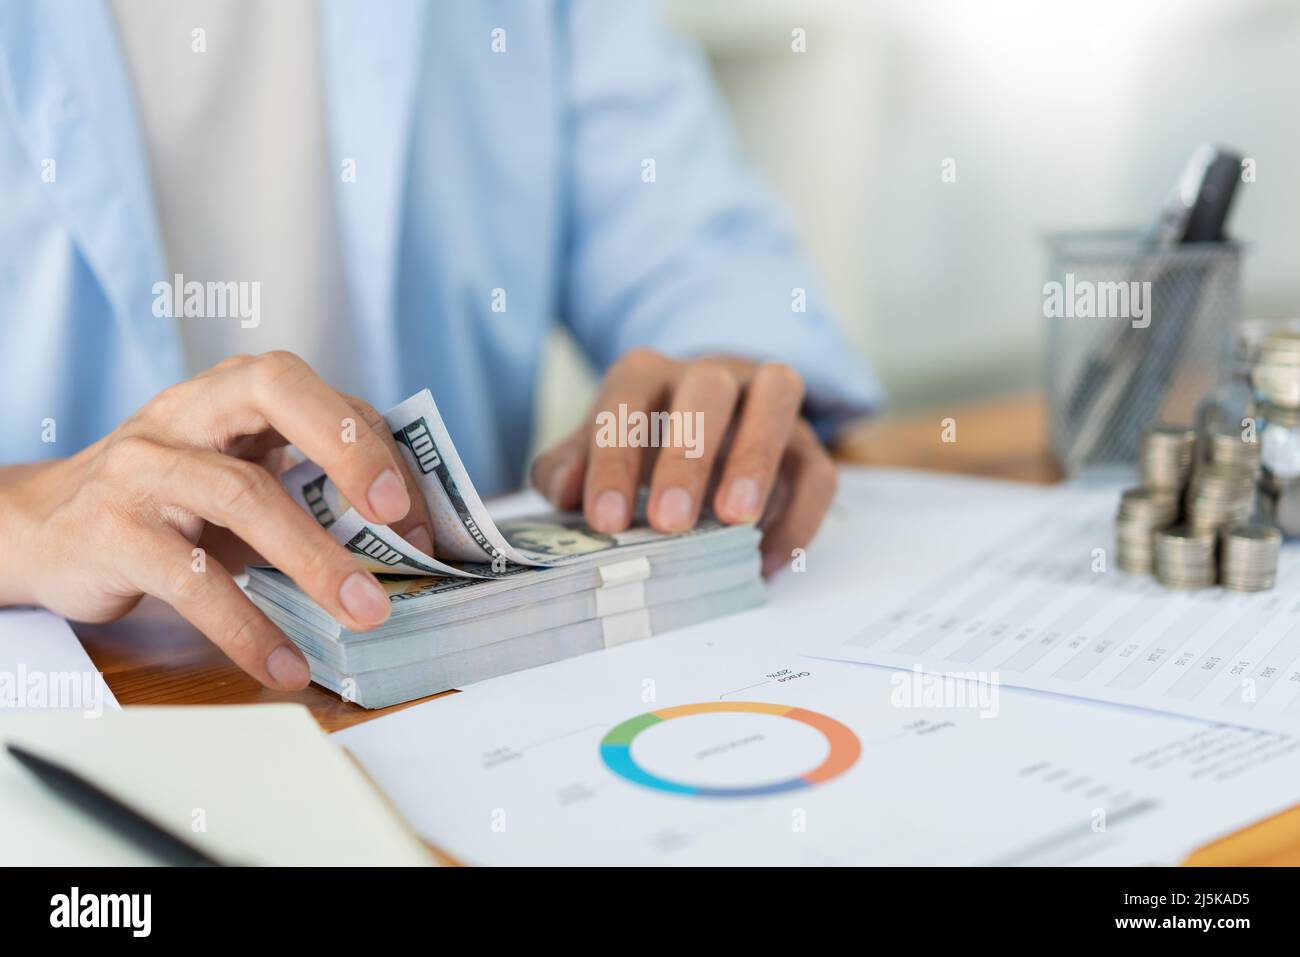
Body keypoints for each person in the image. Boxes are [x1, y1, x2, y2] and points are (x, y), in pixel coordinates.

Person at [0, 0, 881, 691]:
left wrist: (719, 371)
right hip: (103, 691)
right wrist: (27, 514)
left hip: (469, 687)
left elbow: (688, 234)